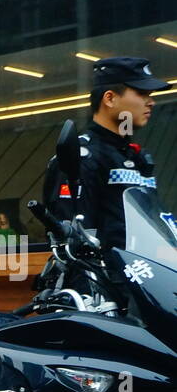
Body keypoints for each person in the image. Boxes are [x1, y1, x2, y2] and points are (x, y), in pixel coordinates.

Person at [49, 56, 169, 251]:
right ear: (110, 98)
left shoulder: (138, 157)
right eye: (141, 93)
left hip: (148, 277)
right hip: (105, 278)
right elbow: (73, 245)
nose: (151, 102)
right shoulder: (80, 158)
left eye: (151, 94)